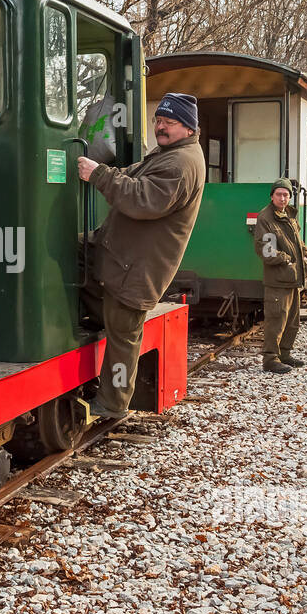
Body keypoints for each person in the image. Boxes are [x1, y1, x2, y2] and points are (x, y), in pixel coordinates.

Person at [77, 92, 206, 418]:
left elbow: (142, 199)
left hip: (136, 270)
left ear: (189, 128)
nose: (161, 127)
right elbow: (136, 173)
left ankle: (112, 404)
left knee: (123, 337)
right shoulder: (169, 153)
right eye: (158, 120)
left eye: (169, 122)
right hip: (123, 260)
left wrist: (100, 175)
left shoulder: (180, 163)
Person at [253, 178, 307, 373]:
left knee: (292, 321)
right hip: (278, 278)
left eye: (286, 195)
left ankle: (285, 354)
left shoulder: (290, 215)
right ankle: (270, 359)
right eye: (279, 194)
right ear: (272, 196)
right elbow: (266, 251)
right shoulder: (265, 217)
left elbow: (297, 241)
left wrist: (303, 252)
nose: (283, 198)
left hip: (293, 277)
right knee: (276, 319)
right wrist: (286, 258)